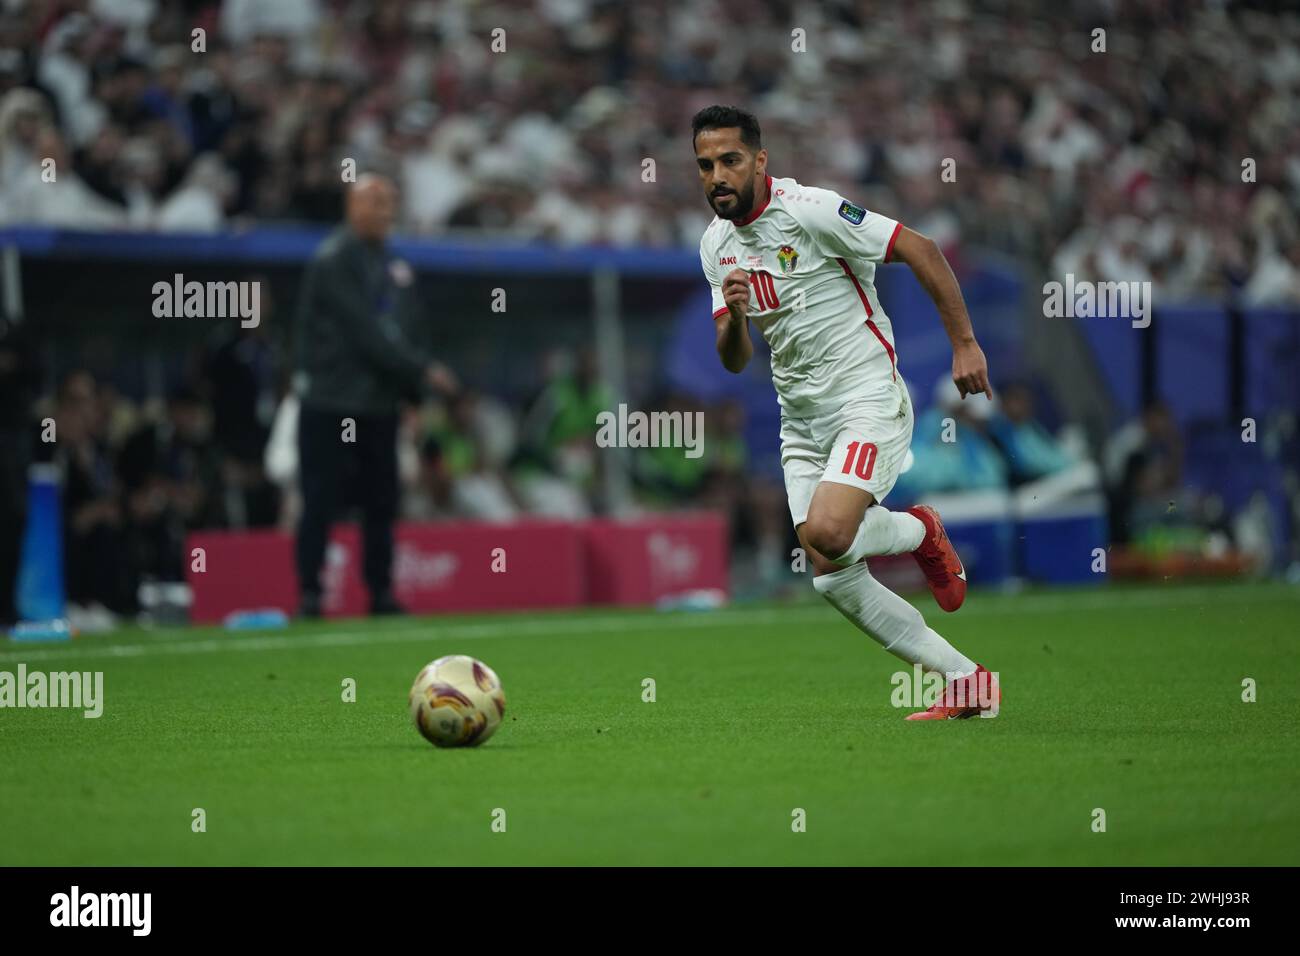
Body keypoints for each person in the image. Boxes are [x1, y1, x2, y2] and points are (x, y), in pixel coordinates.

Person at [694, 105, 998, 720]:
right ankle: (969, 682)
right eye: (705, 165)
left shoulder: (811, 210)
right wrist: (736, 319)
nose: (717, 176)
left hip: (867, 401)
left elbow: (922, 248)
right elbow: (733, 359)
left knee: (830, 533)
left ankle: (918, 529)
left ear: (759, 160)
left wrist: (964, 344)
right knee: (830, 571)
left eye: (729, 160)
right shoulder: (716, 245)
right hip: (801, 422)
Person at [293, 173, 457, 617]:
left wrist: (412, 395)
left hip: (378, 405)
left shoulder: (392, 266)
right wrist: (422, 370)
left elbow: (411, 330)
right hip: (332, 402)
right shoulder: (333, 261)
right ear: (351, 208)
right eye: (372, 203)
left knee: (382, 501)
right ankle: (310, 592)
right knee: (321, 499)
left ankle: (380, 591)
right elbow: (367, 335)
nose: (382, 213)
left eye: (388, 205)